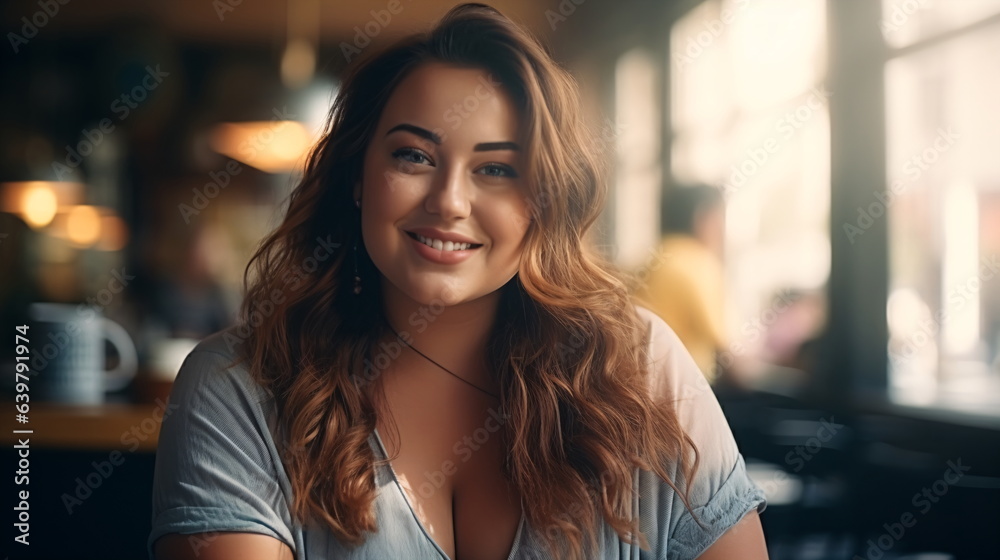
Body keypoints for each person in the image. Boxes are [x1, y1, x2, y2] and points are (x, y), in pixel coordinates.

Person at [148, 4, 767, 559]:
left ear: (544, 200)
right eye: (413, 156)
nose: (449, 201)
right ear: (358, 175)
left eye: (496, 168)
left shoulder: (642, 369)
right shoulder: (239, 388)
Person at [634, 184, 727, 385]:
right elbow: (727, 350)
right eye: (719, 217)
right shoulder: (698, 263)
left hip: (633, 390)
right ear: (703, 218)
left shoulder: (646, 260)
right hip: (682, 391)